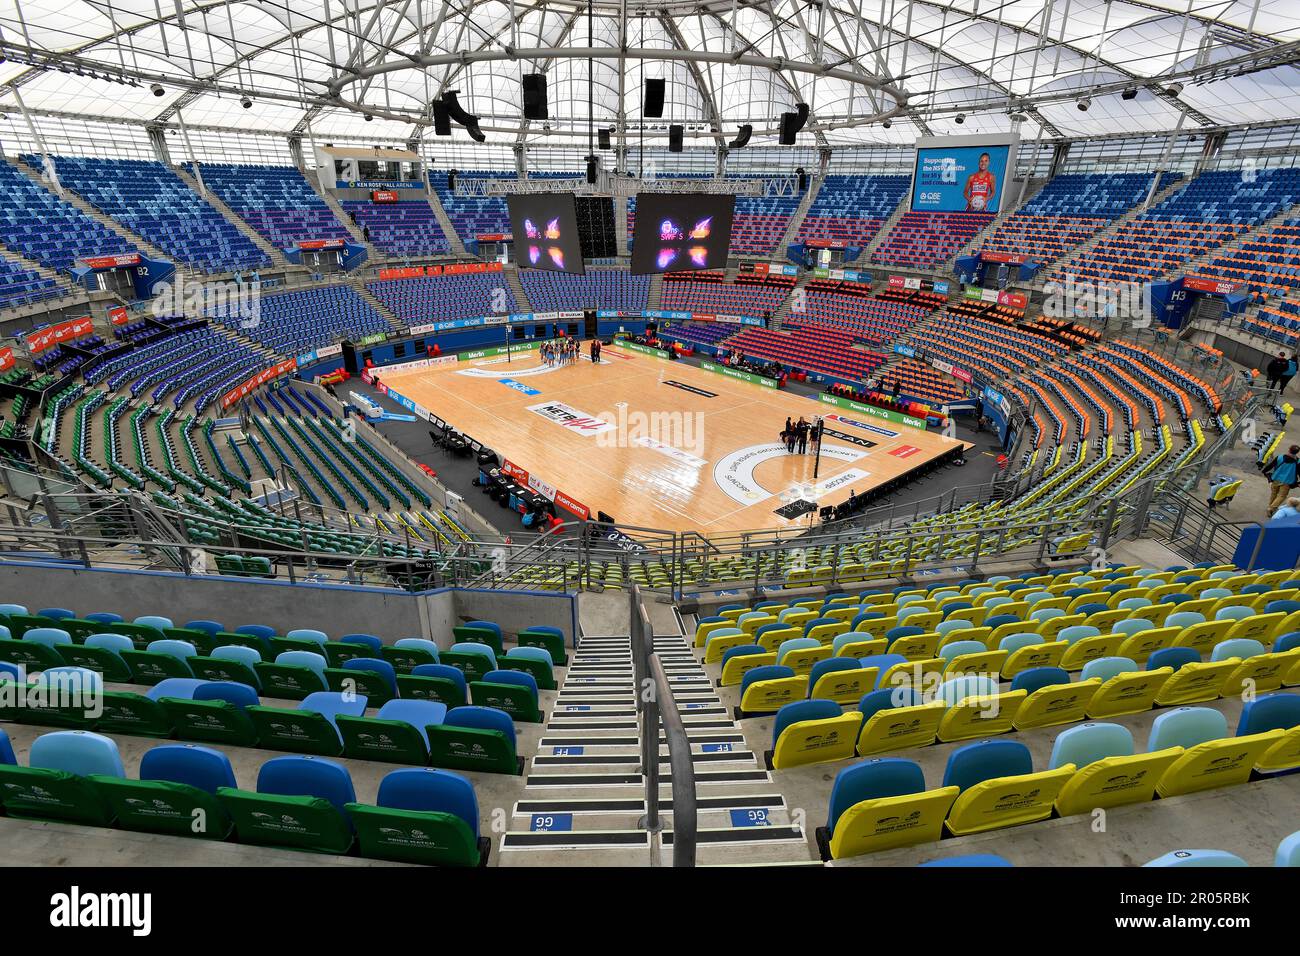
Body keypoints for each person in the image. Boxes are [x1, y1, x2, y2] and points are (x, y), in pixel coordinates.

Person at [1267, 444, 1300, 514]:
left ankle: (1270, 507)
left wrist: (1265, 472)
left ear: (1289, 449)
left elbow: (1270, 466)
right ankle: (1271, 508)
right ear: (1297, 452)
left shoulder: (1280, 457)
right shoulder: (1298, 461)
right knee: (1282, 496)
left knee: (1273, 494)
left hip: (1276, 478)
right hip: (1287, 481)